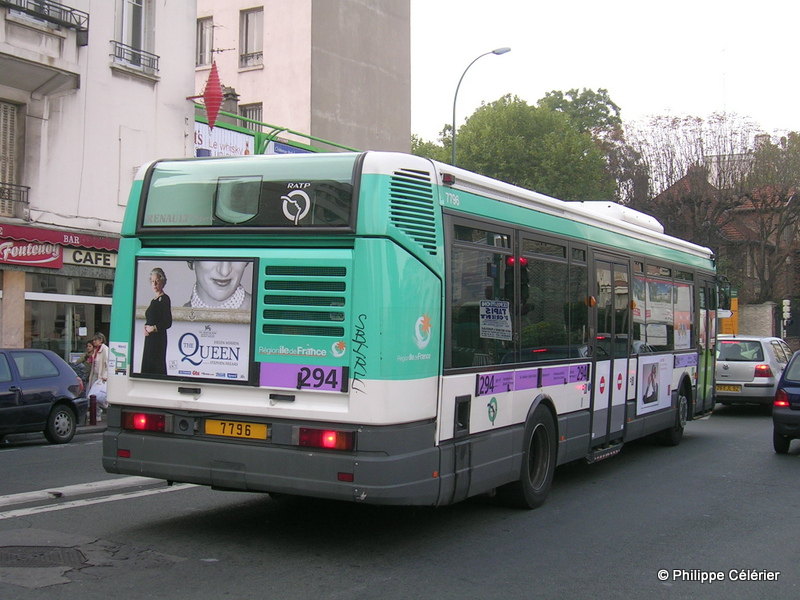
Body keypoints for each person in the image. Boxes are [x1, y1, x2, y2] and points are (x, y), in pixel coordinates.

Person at [184, 260, 252, 309]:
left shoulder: (260, 311)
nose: (224, 272)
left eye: (236, 255)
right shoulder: (177, 320)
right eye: (214, 255)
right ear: (192, 260)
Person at [142, 267, 172, 375]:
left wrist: (153, 328)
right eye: (152, 281)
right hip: (149, 339)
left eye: (157, 281)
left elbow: (168, 322)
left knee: (156, 365)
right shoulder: (153, 300)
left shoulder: (165, 299)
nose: (154, 284)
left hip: (158, 340)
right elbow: (150, 318)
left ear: (162, 282)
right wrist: (145, 327)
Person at [88, 332, 109, 421]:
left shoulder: (105, 349)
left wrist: (105, 375)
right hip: (95, 375)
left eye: (95, 340)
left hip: (101, 376)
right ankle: (96, 414)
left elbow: (108, 363)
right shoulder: (96, 350)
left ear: (100, 340)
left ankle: (98, 414)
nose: (94, 341)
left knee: (98, 395)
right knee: (92, 395)